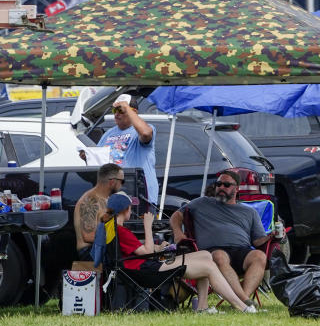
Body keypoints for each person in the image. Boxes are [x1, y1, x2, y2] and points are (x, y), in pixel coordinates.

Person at [96, 191, 254, 313]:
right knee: (209, 266)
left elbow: (138, 251)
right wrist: (148, 226)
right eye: (131, 207)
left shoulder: (114, 228)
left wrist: (159, 248)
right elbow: (147, 251)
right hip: (146, 271)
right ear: (125, 209)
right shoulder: (122, 231)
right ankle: (241, 306)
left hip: (143, 265)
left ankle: (203, 307)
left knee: (206, 255)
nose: (132, 210)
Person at [169, 169, 269, 304]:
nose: (221, 187)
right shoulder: (202, 203)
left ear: (237, 189)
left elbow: (258, 241)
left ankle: (242, 300)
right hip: (213, 252)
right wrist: (178, 233)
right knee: (219, 256)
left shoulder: (249, 212)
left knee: (260, 256)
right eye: (219, 184)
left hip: (242, 251)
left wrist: (273, 236)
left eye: (226, 185)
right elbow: (176, 216)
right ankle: (244, 301)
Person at [98, 94, 157, 248]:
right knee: (115, 242)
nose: (116, 113)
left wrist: (128, 109)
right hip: (114, 196)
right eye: (114, 109)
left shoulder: (143, 129)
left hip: (139, 196)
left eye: (121, 110)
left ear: (134, 111)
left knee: (138, 241)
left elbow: (145, 134)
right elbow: (98, 162)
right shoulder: (108, 134)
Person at [74, 163, 125, 260]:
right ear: (112, 182)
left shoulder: (106, 199)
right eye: (122, 181)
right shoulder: (90, 201)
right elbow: (88, 236)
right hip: (90, 252)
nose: (122, 184)